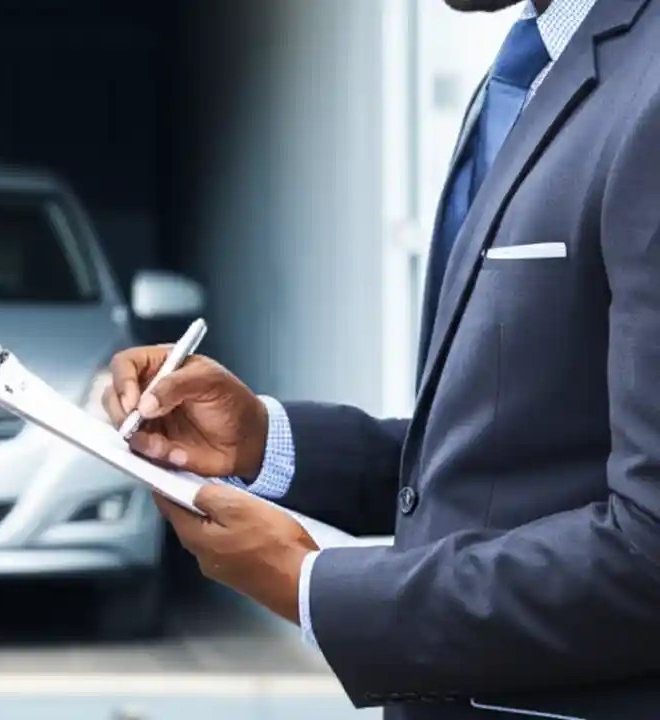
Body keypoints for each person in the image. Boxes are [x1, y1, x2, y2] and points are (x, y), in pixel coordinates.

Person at [104, 0, 660, 717]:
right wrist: (263, 441)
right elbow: (494, 463)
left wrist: (313, 585)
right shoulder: (527, 71)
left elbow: (650, 549)